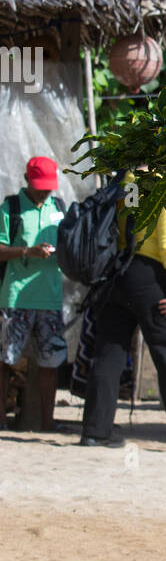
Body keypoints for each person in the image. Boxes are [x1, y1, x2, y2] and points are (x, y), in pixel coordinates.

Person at [80, 196, 166, 451]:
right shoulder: (162, 187)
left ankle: (96, 432)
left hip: (117, 274)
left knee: (109, 353)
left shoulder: (123, 183)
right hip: (152, 278)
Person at [0, 157, 67, 432]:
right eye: (40, 186)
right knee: (5, 361)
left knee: (50, 363)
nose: (44, 192)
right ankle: (2, 420)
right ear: (27, 180)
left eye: (48, 187)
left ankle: (47, 422)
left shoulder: (58, 207)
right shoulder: (11, 208)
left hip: (50, 299)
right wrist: (27, 251)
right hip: (16, 299)